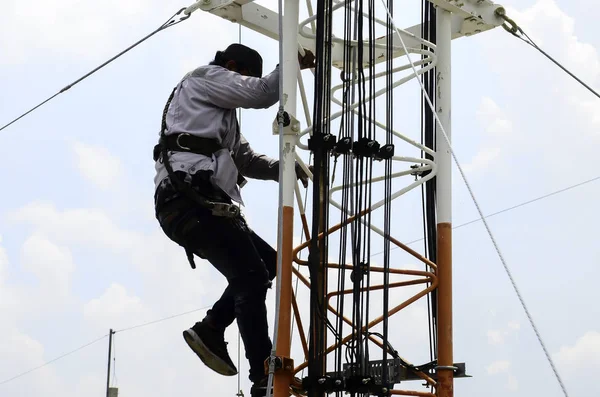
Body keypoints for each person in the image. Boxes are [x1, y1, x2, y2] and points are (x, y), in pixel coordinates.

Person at [152, 43, 315, 396]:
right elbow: (261, 93)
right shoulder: (205, 78)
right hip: (190, 198)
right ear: (229, 66)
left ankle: (211, 328)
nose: (240, 86)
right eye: (242, 77)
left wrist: (288, 168)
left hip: (199, 202)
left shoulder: (219, 119)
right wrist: (291, 64)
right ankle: (263, 373)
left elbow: (246, 160)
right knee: (252, 277)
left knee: (269, 263)